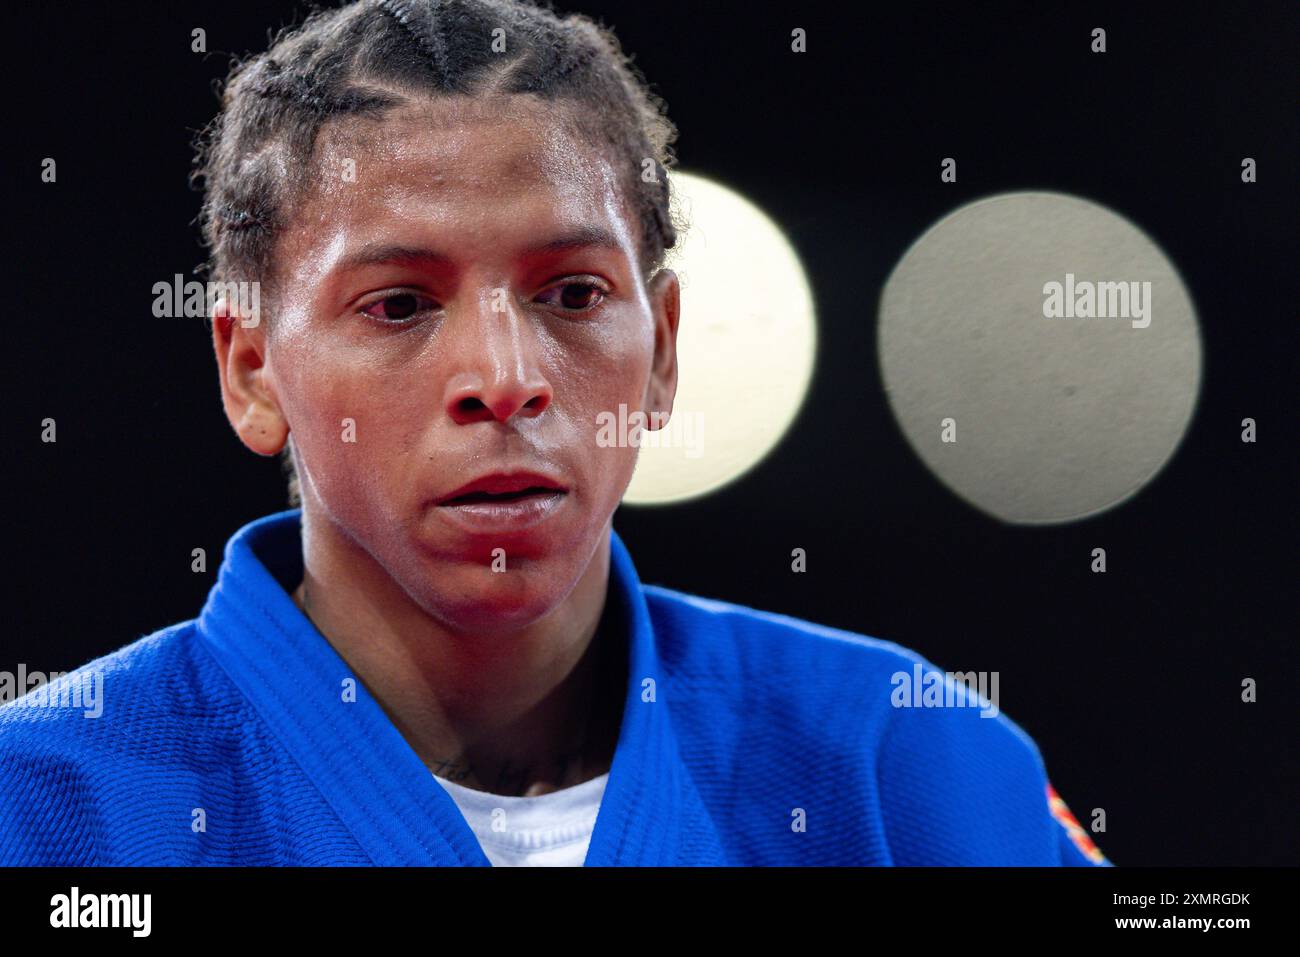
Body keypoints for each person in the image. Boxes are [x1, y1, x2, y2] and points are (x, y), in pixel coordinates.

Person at [0, 0, 1108, 866]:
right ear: (251, 370)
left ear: (663, 349)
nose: (506, 378)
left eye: (571, 295)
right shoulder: (50, 805)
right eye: (398, 304)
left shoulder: (903, 764)